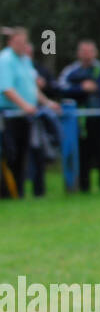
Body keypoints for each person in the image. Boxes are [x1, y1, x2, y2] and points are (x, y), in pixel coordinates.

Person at [56, 39, 100, 192]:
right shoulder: (71, 71)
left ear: (95, 53)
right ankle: (83, 188)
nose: (87, 55)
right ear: (78, 53)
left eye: (89, 51)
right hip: (80, 122)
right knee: (83, 155)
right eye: (84, 51)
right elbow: (60, 88)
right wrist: (80, 88)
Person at [0, 27, 63, 198]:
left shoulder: (24, 60)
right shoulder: (5, 60)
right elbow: (6, 88)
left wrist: (48, 103)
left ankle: (18, 193)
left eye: (24, 42)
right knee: (10, 155)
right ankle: (8, 194)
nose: (22, 46)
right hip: (9, 114)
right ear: (10, 42)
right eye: (18, 42)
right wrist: (24, 106)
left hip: (25, 115)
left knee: (23, 154)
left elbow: (32, 88)